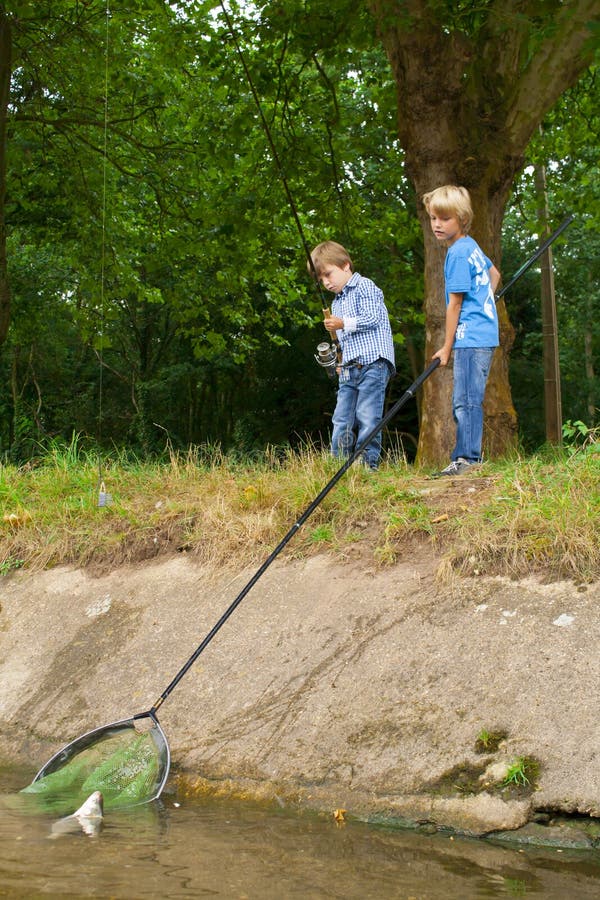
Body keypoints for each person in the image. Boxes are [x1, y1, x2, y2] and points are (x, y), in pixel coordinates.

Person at [422, 185, 501, 476]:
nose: (437, 225)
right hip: (484, 332)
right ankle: (466, 458)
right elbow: (494, 275)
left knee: (465, 400)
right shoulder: (470, 246)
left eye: (445, 219)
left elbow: (454, 305)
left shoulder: (456, 254)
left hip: (470, 336)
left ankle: (467, 460)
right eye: (433, 218)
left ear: (462, 218)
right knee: (469, 398)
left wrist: (446, 347)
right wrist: (484, 301)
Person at [309, 240, 395, 470]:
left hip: (374, 363)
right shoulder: (336, 303)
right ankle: (339, 464)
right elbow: (344, 341)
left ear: (345, 265)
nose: (326, 282)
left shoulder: (365, 286)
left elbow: (373, 317)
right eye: (321, 279)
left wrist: (342, 323)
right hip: (349, 368)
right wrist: (340, 361)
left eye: (328, 274)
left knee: (367, 415)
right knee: (342, 417)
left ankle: (367, 463)